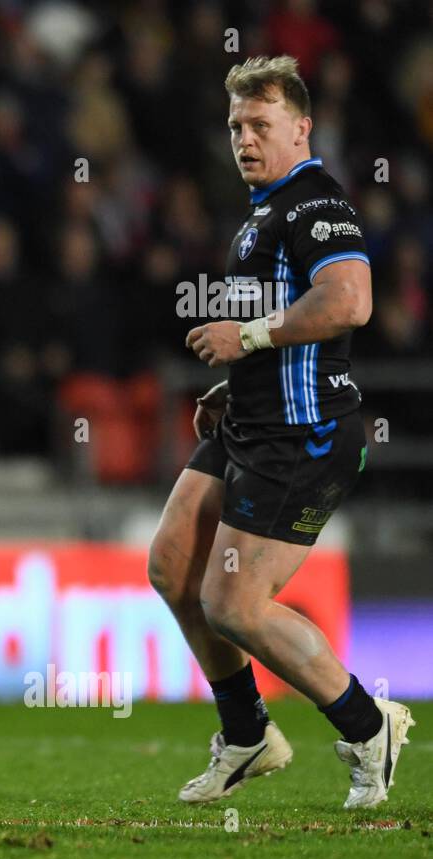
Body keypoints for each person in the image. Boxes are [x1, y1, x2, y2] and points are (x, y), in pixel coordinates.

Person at [152, 56, 413, 808]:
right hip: (250, 419)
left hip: (304, 435)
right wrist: (234, 382)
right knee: (172, 568)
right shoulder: (264, 210)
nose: (244, 139)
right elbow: (283, 327)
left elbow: (350, 301)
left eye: (260, 124)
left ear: (302, 127)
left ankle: (370, 728)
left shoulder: (315, 202)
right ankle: (247, 734)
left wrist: (249, 342)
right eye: (236, 125)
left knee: (233, 604)